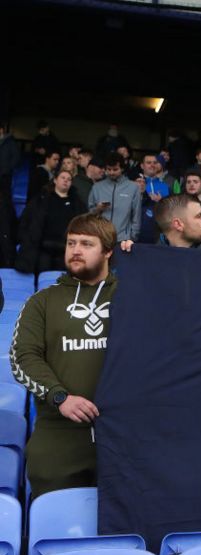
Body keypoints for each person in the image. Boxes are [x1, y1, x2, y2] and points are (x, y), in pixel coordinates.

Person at [10, 214, 118, 496]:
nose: (76, 250)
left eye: (86, 243)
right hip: (59, 438)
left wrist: (141, 260)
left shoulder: (132, 295)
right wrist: (60, 397)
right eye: (71, 243)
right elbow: (23, 357)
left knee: (122, 539)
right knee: (57, 531)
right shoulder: (42, 301)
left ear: (108, 251)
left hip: (122, 438)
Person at [16, 169, 89, 273]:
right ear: (55, 180)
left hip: (66, 248)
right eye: (63, 178)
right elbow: (27, 220)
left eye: (69, 179)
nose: (66, 181)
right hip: (43, 248)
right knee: (43, 278)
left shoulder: (77, 203)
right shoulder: (41, 199)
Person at [88, 152, 140, 243]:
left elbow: (136, 214)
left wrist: (132, 236)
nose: (111, 172)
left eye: (115, 169)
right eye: (109, 169)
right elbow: (89, 213)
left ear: (122, 169)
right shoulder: (97, 187)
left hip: (123, 239)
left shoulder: (133, 187)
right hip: (101, 237)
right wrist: (98, 209)